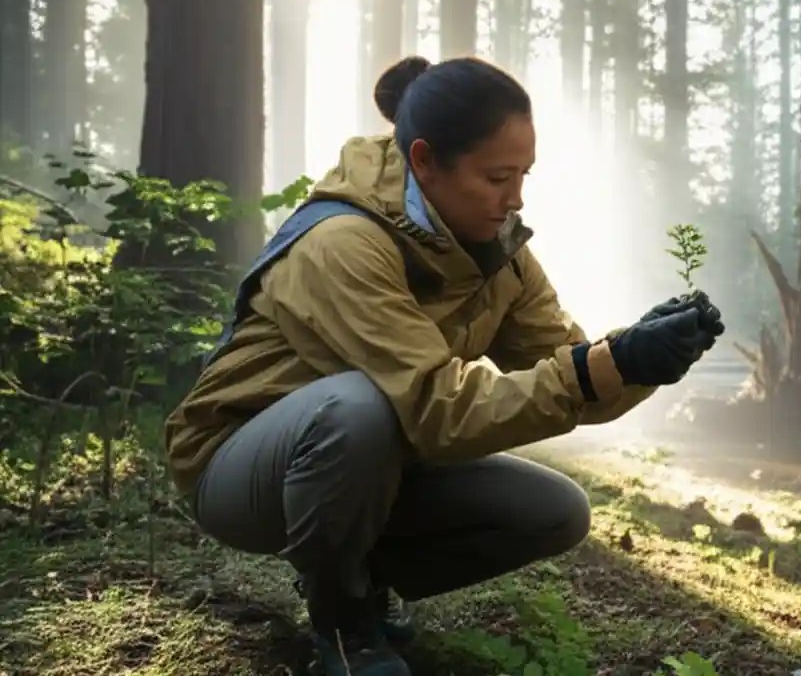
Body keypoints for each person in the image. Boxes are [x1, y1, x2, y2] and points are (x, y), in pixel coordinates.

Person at [163, 55, 724, 676]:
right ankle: (343, 621)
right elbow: (438, 407)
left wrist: (640, 358)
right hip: (239, 467)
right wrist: (603, 365)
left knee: (556, 511)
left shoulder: (498, 251)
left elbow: (567, 369)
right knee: (358, 407)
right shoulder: (342, 243)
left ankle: (361, 577)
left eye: (523, 175)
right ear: (425, 161)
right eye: (497, 177)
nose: (515, 198)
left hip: (376, 459)